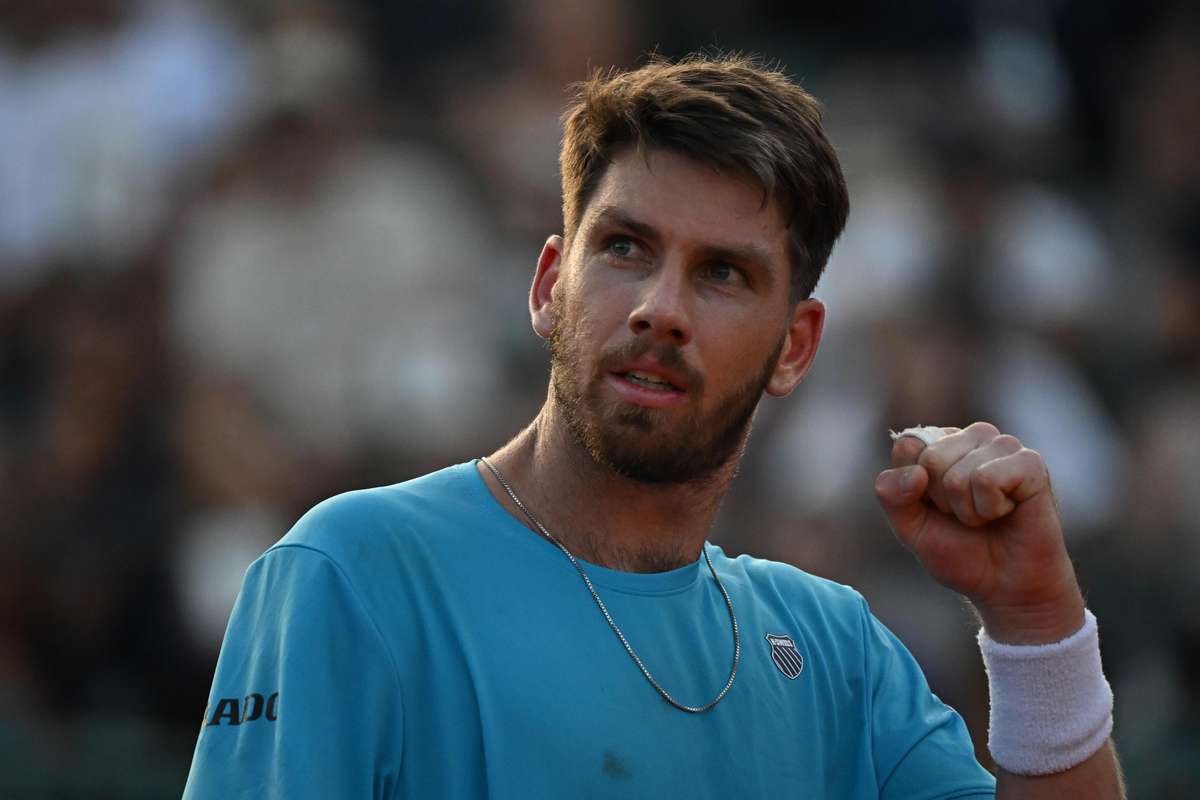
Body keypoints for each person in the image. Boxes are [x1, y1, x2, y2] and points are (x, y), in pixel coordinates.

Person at [182, 54, 1125, 798]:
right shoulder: (354, 572)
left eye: (723, 274)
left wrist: (1038, 625)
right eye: (626, 248)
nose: (660, 309)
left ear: (795, 348)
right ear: (552, 285)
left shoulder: (838, 652)